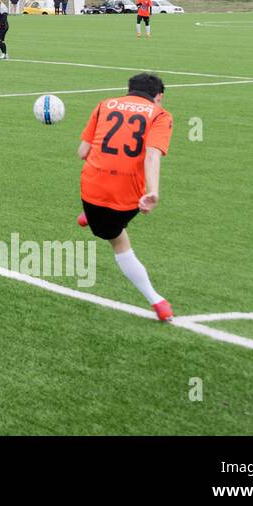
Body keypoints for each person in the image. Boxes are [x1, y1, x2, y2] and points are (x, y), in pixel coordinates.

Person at [75, 73, 174, 321]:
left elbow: (82, 152)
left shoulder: (104, 105)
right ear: (158, 96)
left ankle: (91, 215)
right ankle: (156, 300)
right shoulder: (160, 115)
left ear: (128, 90)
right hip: (125, 199)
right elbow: (152, 156)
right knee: (118, 241)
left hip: (91, 190)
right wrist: (153, 191)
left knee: (102, 210)